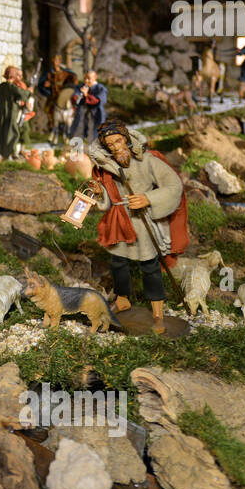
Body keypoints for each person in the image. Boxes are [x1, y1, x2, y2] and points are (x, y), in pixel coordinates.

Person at [84, 120, 189, 334]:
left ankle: (158, 311)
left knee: (149, 265)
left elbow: (173, 185)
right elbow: (109, 199)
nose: (115, 148)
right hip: (119, 220)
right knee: (118, 262)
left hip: (143, 221)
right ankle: (123, 299)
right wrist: (99, 193)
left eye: (118, 141)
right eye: (110, 145)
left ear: (127, 139)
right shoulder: (107, 167)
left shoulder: (148, 161)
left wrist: (148, 198)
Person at [0, 65, 34, 159]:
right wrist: (29, 91)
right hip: (9, 115)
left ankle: (0, 155)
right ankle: (6, 155)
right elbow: (22, 94)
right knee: (11, 134)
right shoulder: (12, 87)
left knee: (0, 134)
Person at [69, 70, 108, 142]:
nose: (86, 81)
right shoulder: (80, 87)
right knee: (77, 134)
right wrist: (78, 97)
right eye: (85, 78)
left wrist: (87, 95)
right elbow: (74, 98)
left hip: (95, 115)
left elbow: (97, 101)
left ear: (95, 78)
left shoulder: (100, 88)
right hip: (81, 115)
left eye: (89, 78)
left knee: (93, 136)